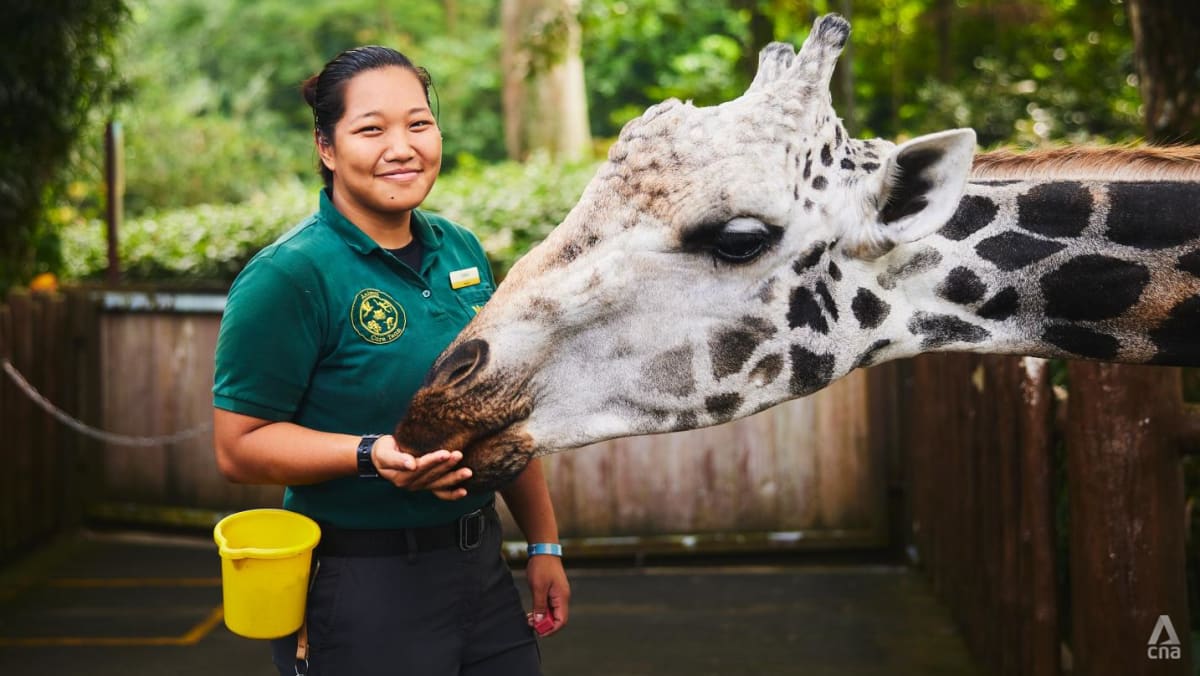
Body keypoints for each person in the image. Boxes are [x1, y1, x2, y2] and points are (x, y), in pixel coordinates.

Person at [212, 45, 569, 675]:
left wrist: (543, 541)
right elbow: (238, 447)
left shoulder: (459, 247)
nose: (401, 147)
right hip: (359, 584)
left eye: (419, 123)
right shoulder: (289, 275)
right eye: (371, 129)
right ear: (326, 148)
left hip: (481, 571)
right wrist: (369, 453)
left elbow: (498, 409)